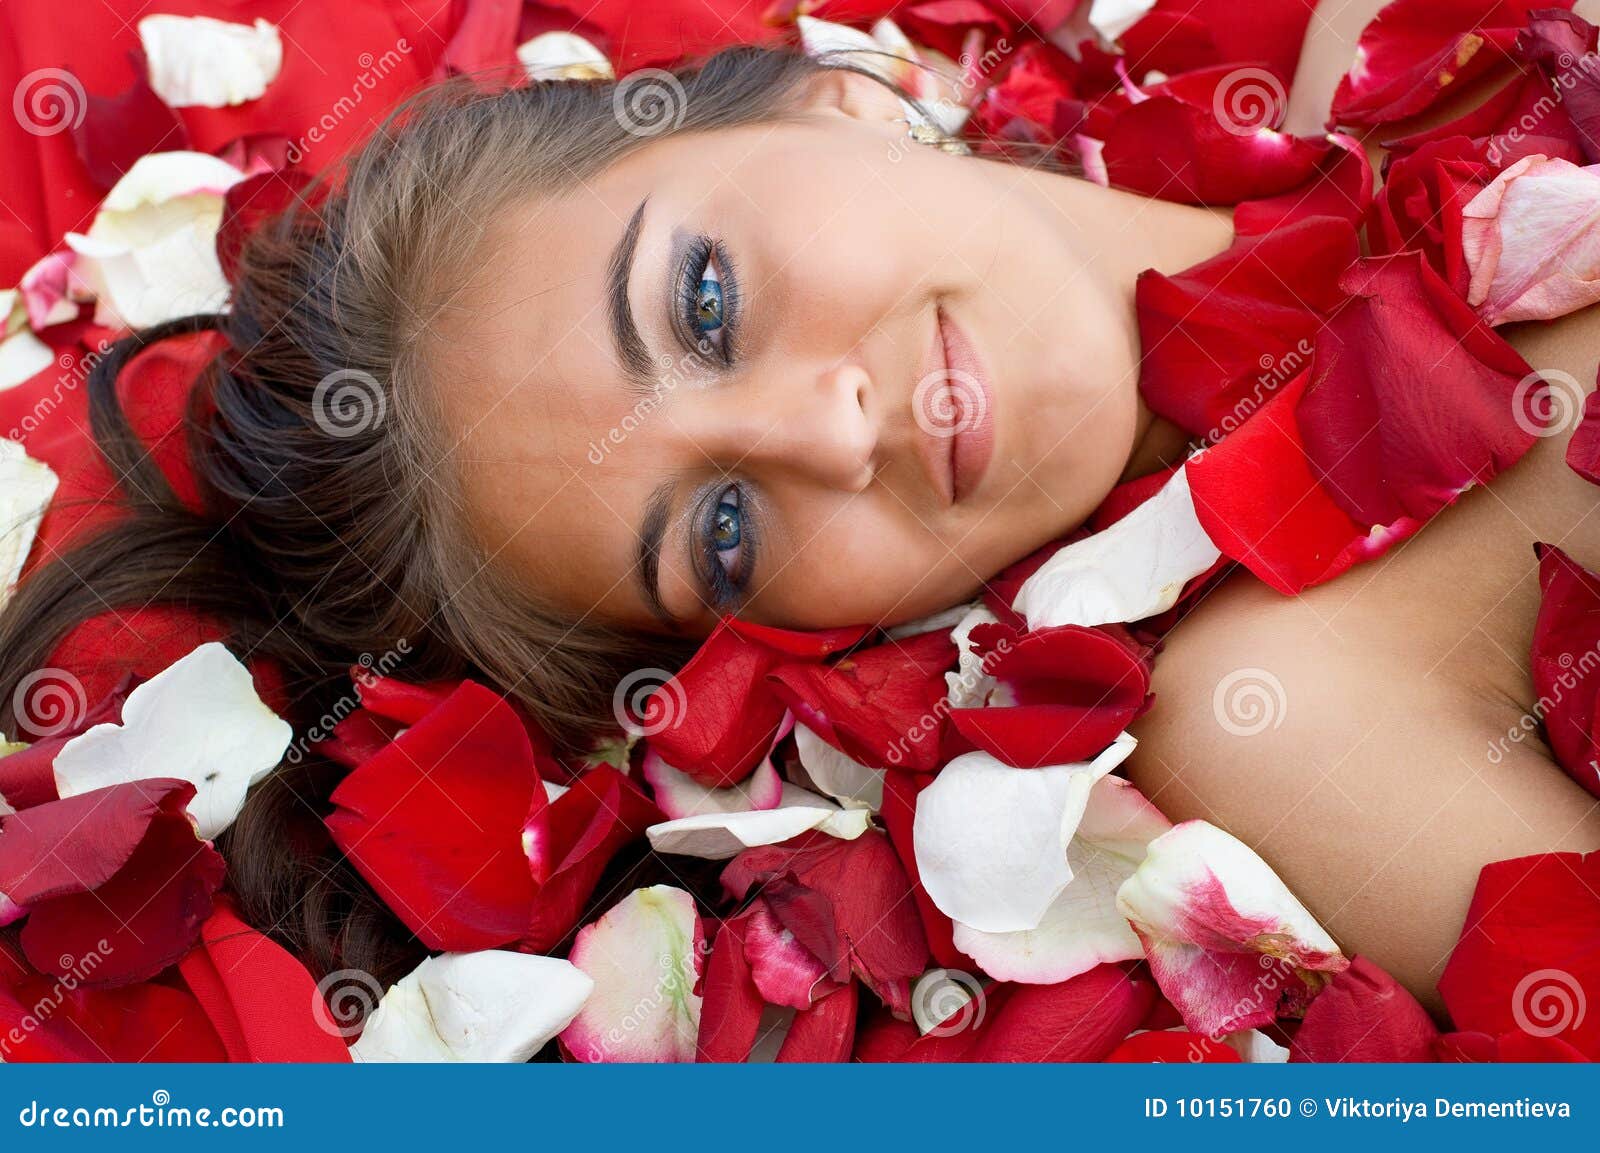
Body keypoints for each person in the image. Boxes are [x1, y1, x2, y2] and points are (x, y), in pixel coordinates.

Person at [0, 25, 1594, 1015]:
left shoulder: (1395, 31)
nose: (825, 428)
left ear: (834, 95)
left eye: (702, 301)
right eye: (725, 536)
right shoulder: (1292, 721)